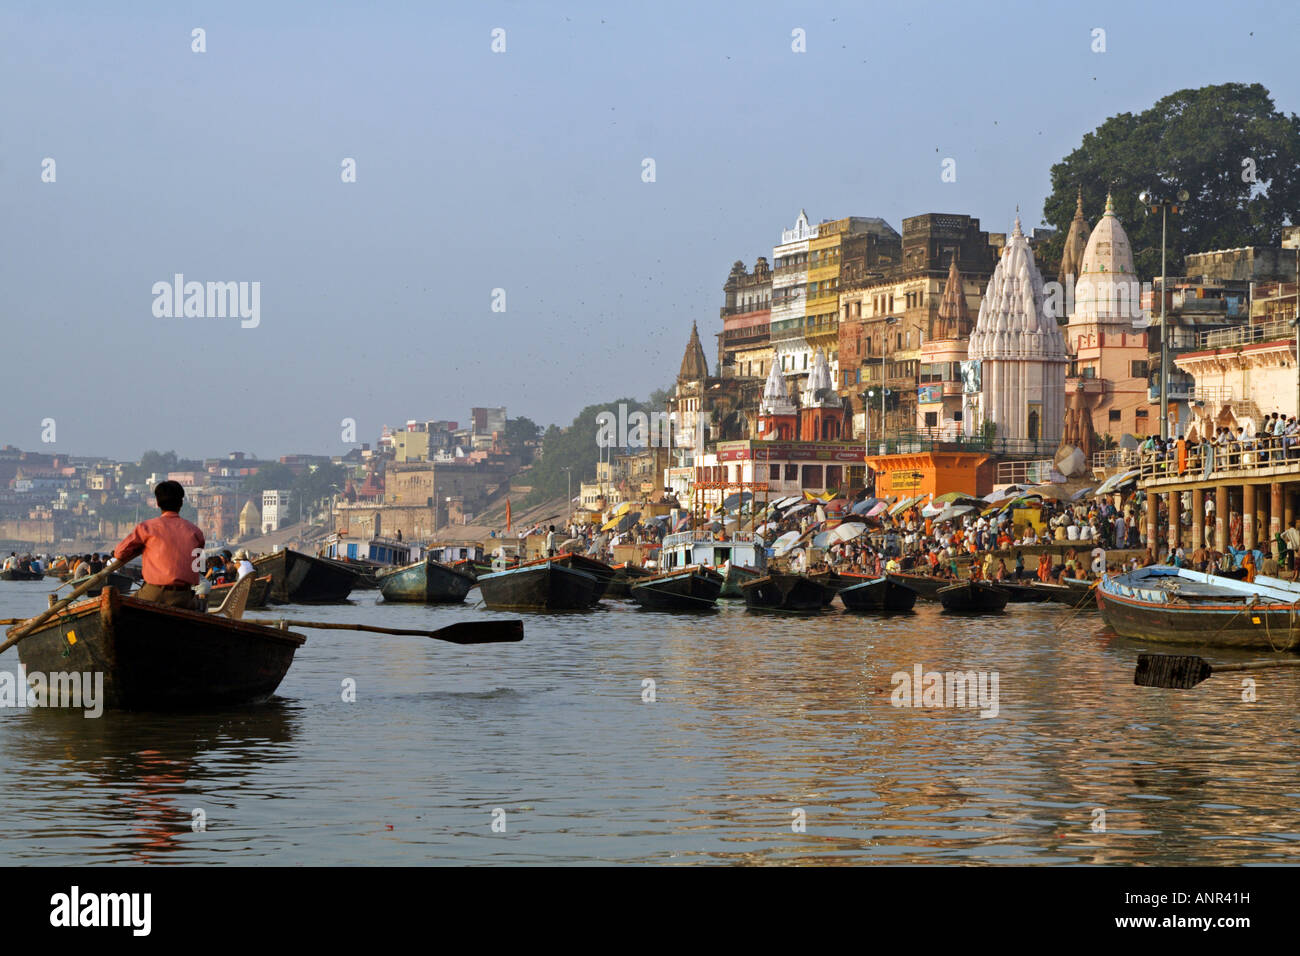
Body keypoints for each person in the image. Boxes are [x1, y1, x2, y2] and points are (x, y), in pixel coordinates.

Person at [112, 480, 205, 609]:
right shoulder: (196, 532)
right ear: (181, 503)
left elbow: (120, 553)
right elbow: (198, 566)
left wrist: (141, 546)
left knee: (122, 606)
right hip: (184, 597)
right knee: (202, 606)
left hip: (153, 594)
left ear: (157, 503)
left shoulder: (146, 528)